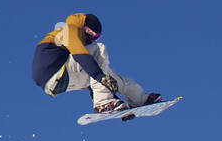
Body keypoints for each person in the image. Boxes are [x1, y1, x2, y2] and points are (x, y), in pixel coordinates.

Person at [31, 13, 161, 113]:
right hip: (54, 70)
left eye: (96, 38)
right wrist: (100, 77)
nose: (93, 40)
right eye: (93, 36)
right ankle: (102, 103)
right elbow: (79, 54)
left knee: (108, 75)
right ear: (86, 29)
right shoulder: (70, 29)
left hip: (58, 81)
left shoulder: (76, 36)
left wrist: (116, 102)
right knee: (99, 50)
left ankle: (139, 98)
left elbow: (97, 78)